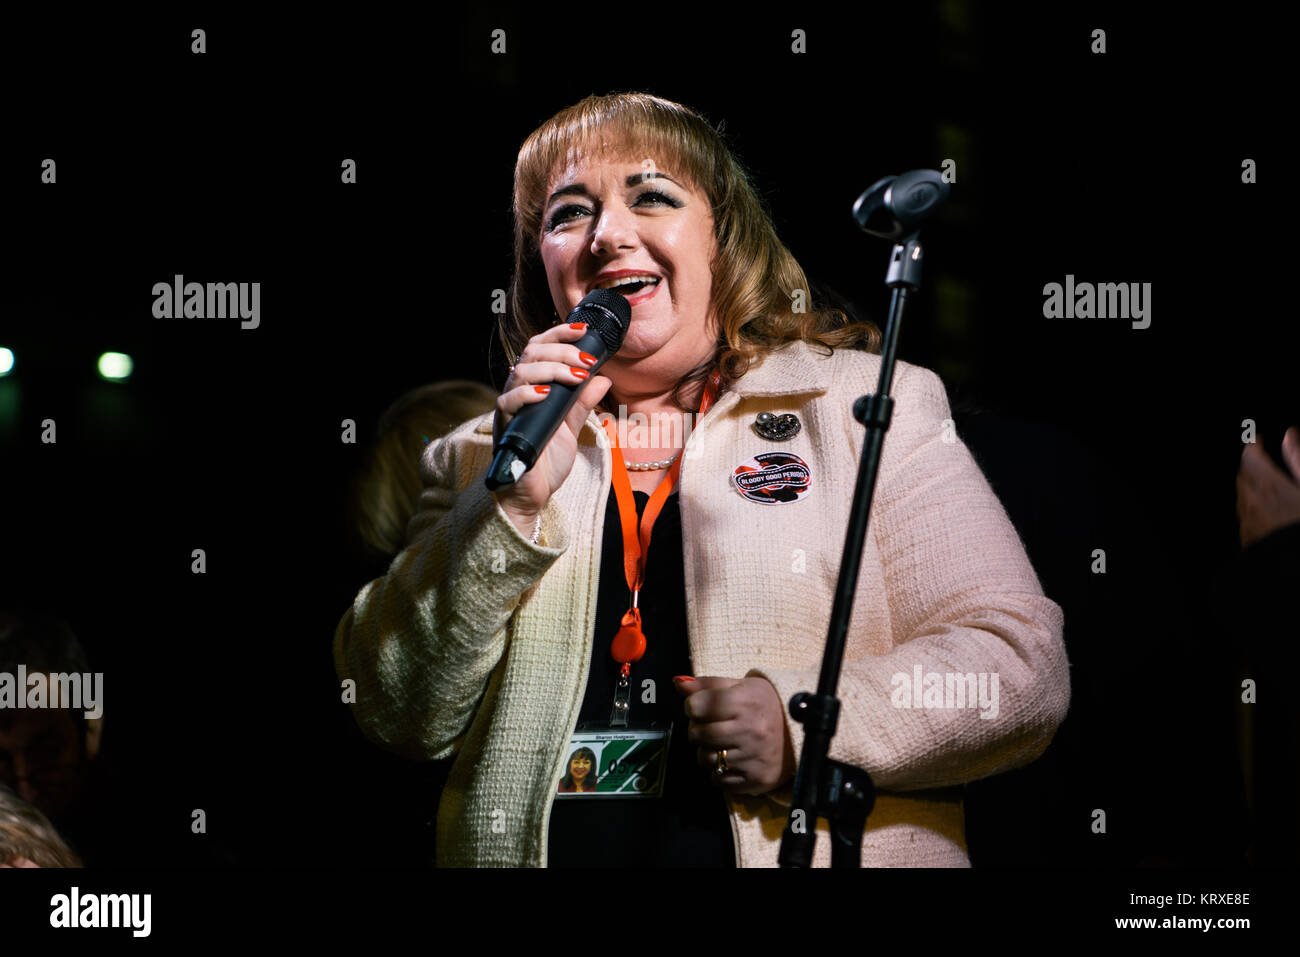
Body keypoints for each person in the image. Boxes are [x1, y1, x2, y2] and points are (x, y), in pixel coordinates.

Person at [333, 92, 1070, 867]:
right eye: (568, 215)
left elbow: (1017, 670)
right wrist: (507, 505)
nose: (609, 234)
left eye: (651, 196)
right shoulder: (479, 456)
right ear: (540, 266)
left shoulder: (862, 411)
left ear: (725, 240)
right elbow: (396, 713)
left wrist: (808, 727)